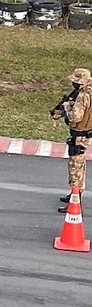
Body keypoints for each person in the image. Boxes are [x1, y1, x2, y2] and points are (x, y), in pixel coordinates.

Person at [51, 67, 92, 213]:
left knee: (75, 168)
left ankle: (75, 201)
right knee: (79, 166)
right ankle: (75, 195)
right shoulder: (89, 92)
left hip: (79, 134)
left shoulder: (82, 96)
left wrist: (66, 108)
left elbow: (76, 117)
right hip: (85, 134)